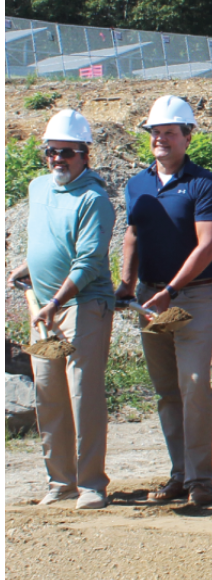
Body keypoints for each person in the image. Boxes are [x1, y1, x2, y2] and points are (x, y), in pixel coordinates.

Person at [116, 95, 212, 507]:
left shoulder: (203, 183)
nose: (160, 139)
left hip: (191, 296)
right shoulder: (138, 184)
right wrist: (127, 284)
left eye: (168, 132)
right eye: (155, 133)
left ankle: (201, 478)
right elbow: (132, 235)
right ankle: (179, 473)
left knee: (194, 385)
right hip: (149, 296)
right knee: (166, 390)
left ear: (187, 137)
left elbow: (209, 244)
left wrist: (172, 291)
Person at [7, 110, 116, 510]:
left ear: (85, 154)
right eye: (52, 151)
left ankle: (90, 484)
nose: (58, 159)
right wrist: (29, 269)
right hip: (43, 307)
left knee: (82, 392)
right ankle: (61, 482)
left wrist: (54, 302)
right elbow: (48, 238)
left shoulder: (94, 199)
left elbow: (87, 262)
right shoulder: (39, 188)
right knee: (48, 392)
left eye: (67, 152)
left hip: (82, 305)